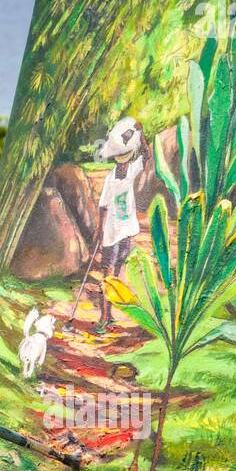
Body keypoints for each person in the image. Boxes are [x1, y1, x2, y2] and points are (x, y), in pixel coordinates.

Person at [91, 117, 151, 334]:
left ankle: (110, 315)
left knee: (116, 274)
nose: (124, 163)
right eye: (122, 161)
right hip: (111, 233)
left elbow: (147, 155)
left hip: (126, 230)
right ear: (118, 161)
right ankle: (104, 317)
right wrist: (100, 231)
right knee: (107, 275)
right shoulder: (110, 178)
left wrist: (140, 132)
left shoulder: (133, 170)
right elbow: (103, 207)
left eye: (126, 160)